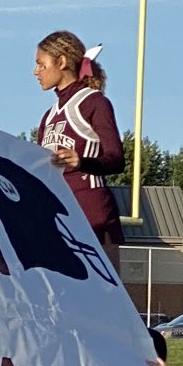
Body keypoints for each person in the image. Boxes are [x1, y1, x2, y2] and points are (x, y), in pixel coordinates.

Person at [32, 31, 123, 270]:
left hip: (92, 213)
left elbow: (116, 160)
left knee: (104, 297)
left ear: (61, 62)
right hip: (59, 213)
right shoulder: (48, 116)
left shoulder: (94, 102)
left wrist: (81, 162)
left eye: (41, 65)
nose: (36, 72)